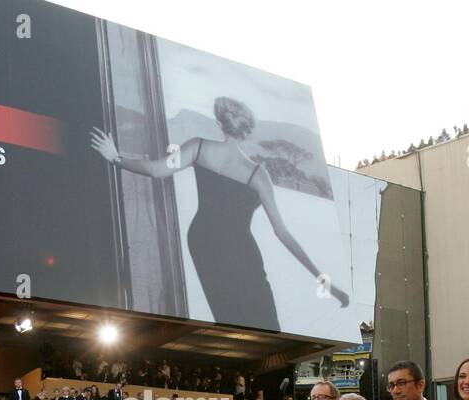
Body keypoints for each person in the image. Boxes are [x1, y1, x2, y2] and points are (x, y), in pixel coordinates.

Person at [91, 99, 350, 331]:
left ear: (219, 124)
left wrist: (116, 158)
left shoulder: (198, 147)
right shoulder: (257, 174)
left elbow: (156, 170)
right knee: (264, 323)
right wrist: (324, 281)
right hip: (239, 251)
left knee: (227, 318)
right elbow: (282, 233)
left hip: (202, 241)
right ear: (248, 129)